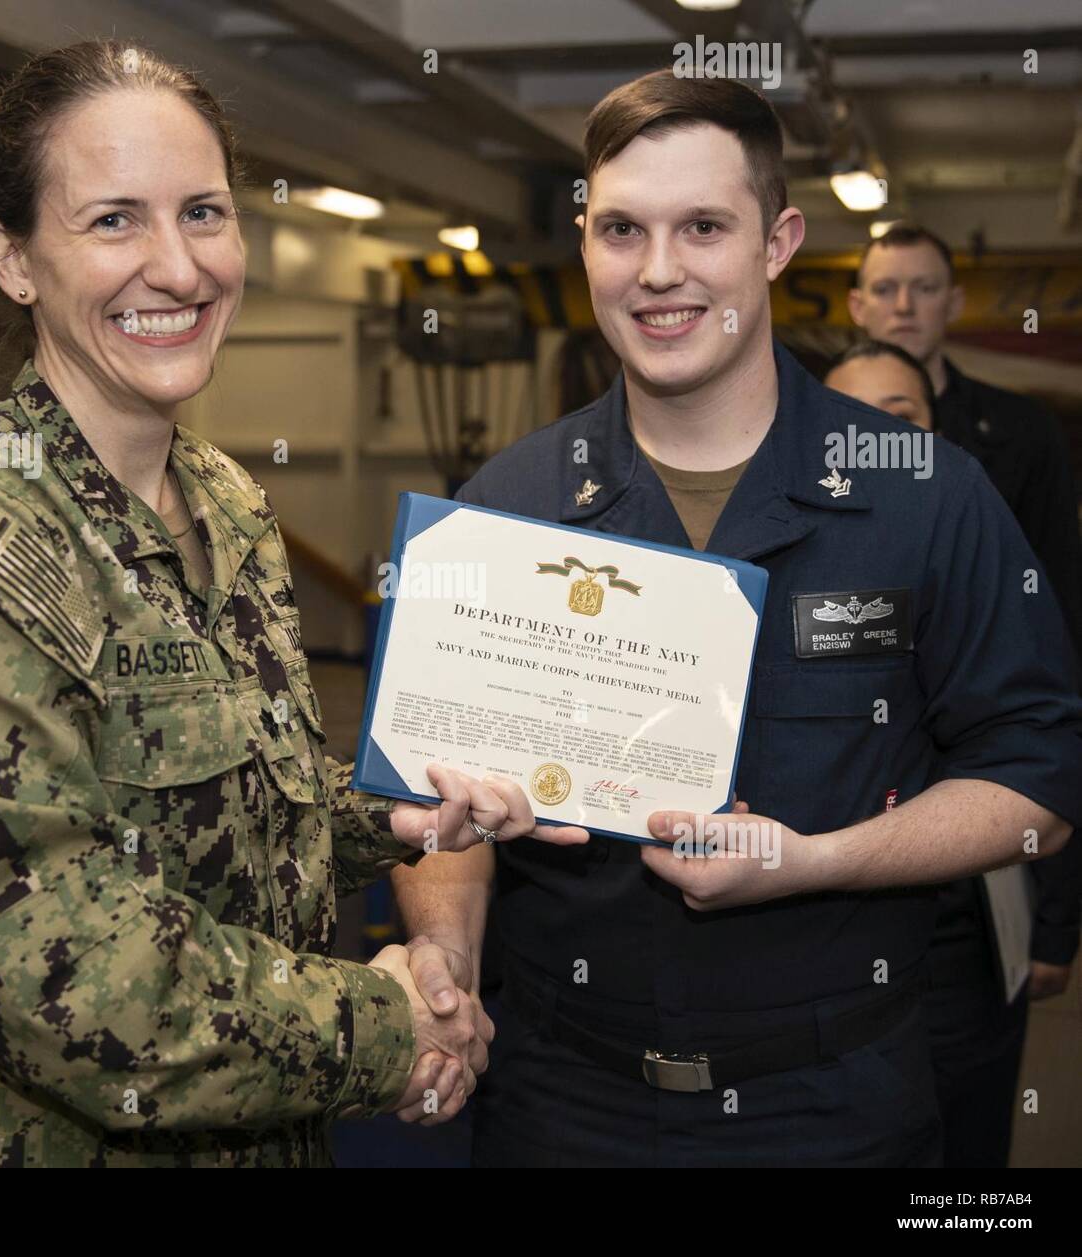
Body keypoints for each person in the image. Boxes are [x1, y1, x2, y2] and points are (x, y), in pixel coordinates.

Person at [0, 39, 589, 1169]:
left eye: (205, 213)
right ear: (14, 258)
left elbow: (233, 802)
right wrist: (386, 1024)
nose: (176, 268)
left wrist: (399, 818)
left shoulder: (223, 500)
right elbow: (71, 982)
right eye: (113, 220)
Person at [392, 69, 1081, 1169]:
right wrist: (445, 957)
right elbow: (437, 796)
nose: (658, 271)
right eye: (620, 229)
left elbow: (1036, 781)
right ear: (584, 246)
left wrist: (819, 861)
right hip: (563, 1104)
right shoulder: (505, 511)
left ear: (777, 241)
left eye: (703, 226)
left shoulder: (921, 494)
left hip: (836, 1107)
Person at [825, 338, 1082, 1168]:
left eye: (898, 419)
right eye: (846, 419)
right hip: (811, 943)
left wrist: (1057, 925)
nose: (869, 437)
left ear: (938, 437)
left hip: (960, 935)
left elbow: (1045, 749)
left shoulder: (979, 559)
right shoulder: (768, 558)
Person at [847, 223, 1082, 659]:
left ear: (954, 303)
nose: (904, 307)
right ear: (857, 307)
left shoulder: (1026, 430)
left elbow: (1059, 576)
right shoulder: (810, 426)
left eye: (925, 288)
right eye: (884, 289)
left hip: (995, 672)